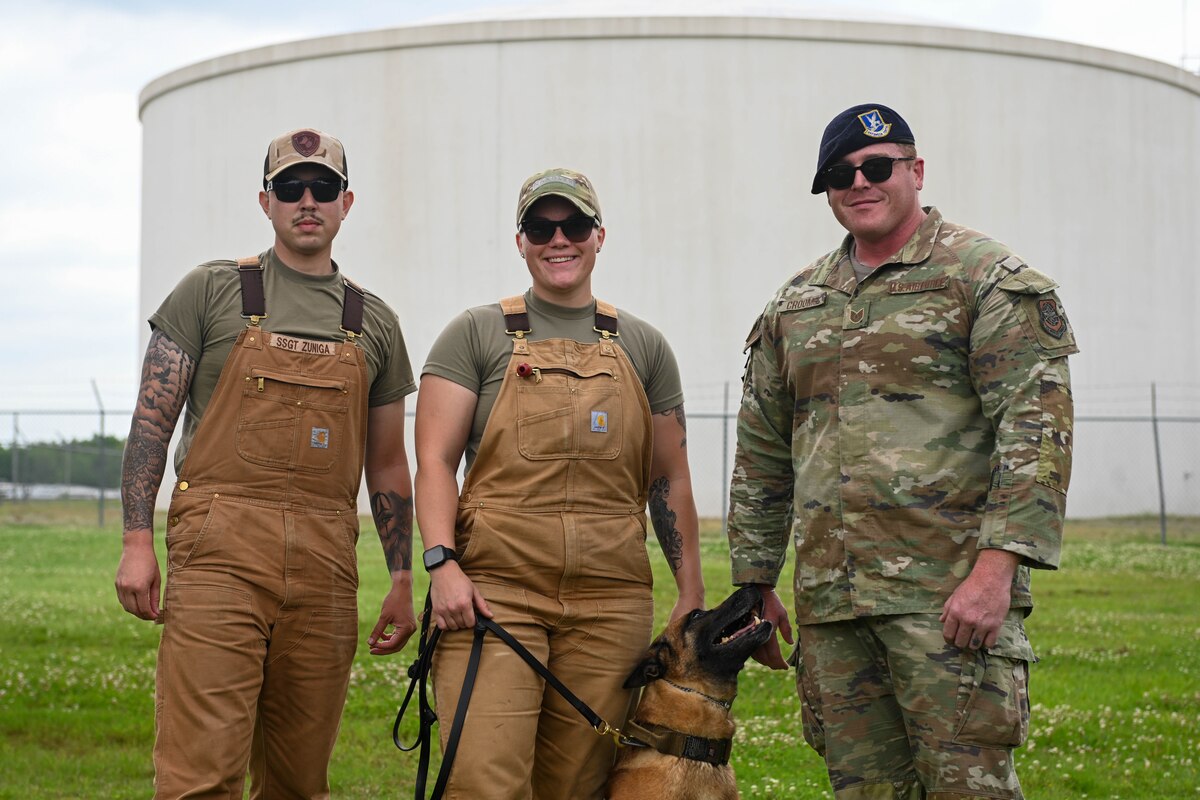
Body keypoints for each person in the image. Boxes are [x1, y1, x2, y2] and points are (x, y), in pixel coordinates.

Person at [727, 104, 1078, 799]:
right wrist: (756, 581)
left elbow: (1035, 429)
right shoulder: (797, 303)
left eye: (877, 166)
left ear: (916, 171)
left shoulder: (983, 280)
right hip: (832, 611)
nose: (859, 182)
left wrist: (997, 570)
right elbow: (763, 450)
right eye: (839, 174)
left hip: (947, 605)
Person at [114, 128, 418, 799]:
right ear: (266, 200)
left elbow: (389, 465)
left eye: (322, 188)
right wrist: (137, 540)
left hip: (325, 568)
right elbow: (149, 425)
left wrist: (402, 575)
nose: (306, 201)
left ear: (346, 202)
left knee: (299, 780)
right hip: (220, 556)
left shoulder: (374, 324)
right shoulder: (211, 291)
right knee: (202, 776)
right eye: (290, 187)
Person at [414, 167, 705, 799]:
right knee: (484, 782)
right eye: (540, 228)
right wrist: (442, 565)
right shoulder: (475, 334)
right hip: (495, 598)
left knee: (580, 787)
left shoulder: (645, 346)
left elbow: (670, 476)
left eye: (573, 225)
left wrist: (690, 593)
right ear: (520, 241)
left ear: (600, 236)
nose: (558, 239)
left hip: (610, 605)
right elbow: (433, 461)